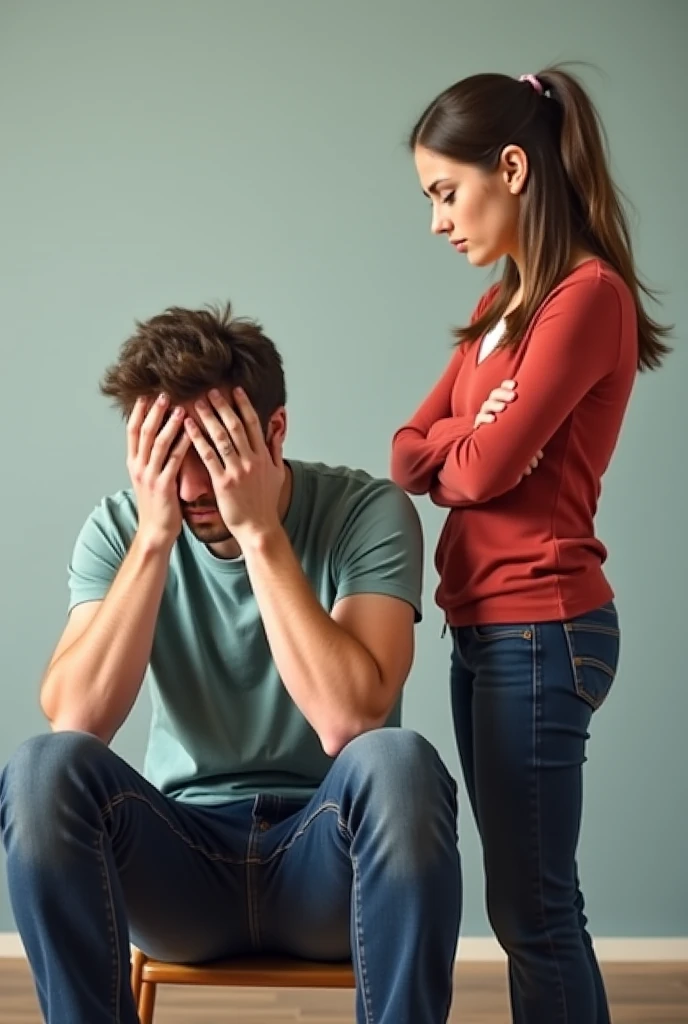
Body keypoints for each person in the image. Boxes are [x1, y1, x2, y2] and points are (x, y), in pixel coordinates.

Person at [0, 302, 461, 1024]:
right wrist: (153, 542)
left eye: (209, 458)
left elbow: (352, 718)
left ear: (273, 432)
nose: (186, 490)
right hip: (181, 867)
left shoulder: (366, 512)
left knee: (399, 760)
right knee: (38, 768)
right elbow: (76, 719)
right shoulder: (123, 527)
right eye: (166, 457)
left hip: (328, 861)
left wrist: (258, 533)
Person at [391, 66, 670, 1024]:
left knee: (536, 909)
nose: (437, 222)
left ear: (511, 167)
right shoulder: (499, 308)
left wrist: (464, 450)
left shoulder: (585, 299)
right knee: (524, 908)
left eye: (445, 192)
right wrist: (469, 442)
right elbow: (408, 451)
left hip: (542, 631)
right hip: (488, 632)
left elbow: (470, 476)